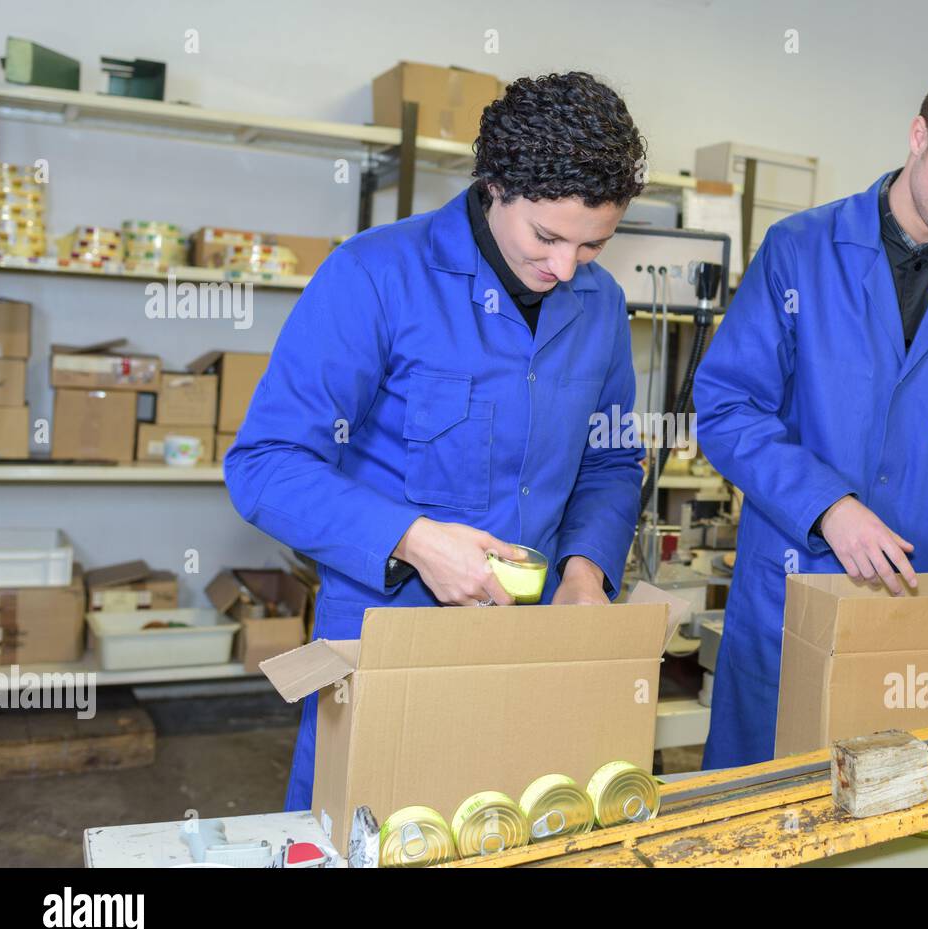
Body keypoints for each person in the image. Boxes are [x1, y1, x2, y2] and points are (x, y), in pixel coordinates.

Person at [224, 72, 647, 810]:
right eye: (546, 236)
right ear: (494, 185)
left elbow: (608, 460)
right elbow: (265, 465)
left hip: (535, 646)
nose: (564, 269)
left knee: (514, 832)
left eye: (593, 245)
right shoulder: (376, 275)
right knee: (366, 834)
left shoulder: (601, 304)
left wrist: (586, 574)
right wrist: (414, 539)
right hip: (391, 648)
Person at [693, 53, 928, 769]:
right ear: (919, 135)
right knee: (758, 813)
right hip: (793, 601)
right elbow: (729, 407)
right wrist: (828, 504)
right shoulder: (798, 252)